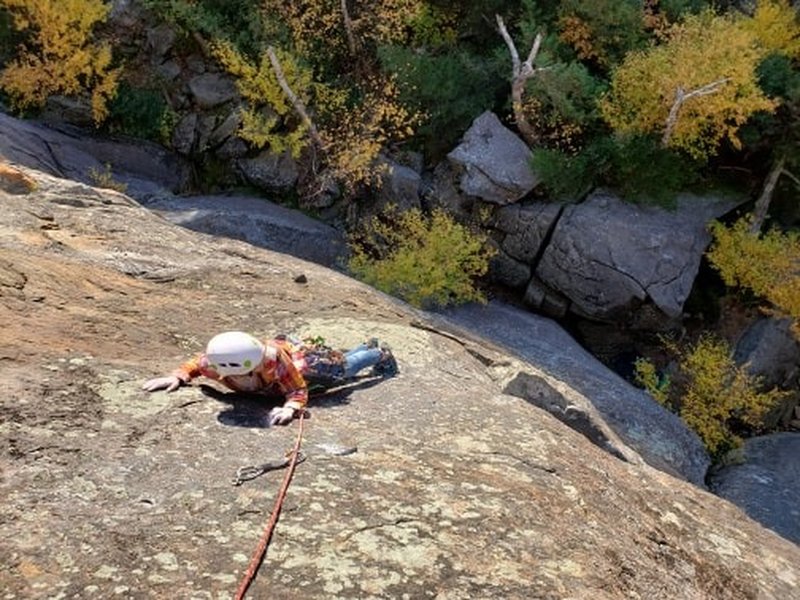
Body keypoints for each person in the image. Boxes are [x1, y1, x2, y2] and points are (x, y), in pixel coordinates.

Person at [142, 331, 398, 425]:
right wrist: (180, 375)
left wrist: (291, 407)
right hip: (281, 371)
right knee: (341, 368)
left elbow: (297, 389)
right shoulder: (216, 362)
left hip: (302, 364)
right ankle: (366, 347)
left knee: (340, 372)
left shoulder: (272, 361)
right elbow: (196, 364)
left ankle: (378, 353)